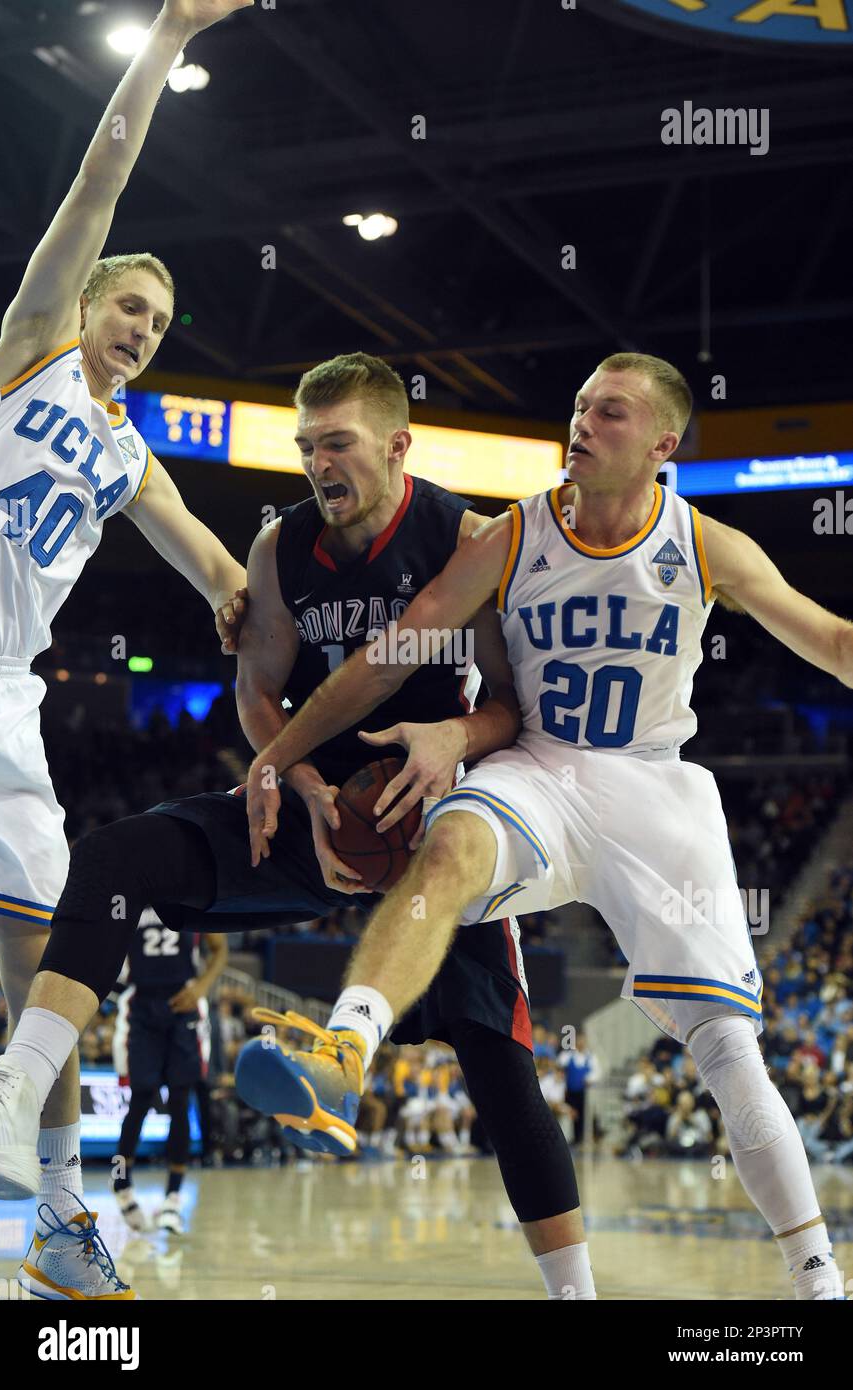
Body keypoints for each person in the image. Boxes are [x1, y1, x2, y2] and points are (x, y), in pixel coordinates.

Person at [229, 349, 850, 1300]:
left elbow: (834, 641)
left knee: (726, 1049)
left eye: (608, 414)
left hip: (653, 789)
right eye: (578, 407)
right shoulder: (513, 535)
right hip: (541, 769)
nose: (581, 425)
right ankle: (341, 1052)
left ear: (662, 443)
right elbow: (390, 659)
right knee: (445, 848)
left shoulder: (705, 544)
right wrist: (276, 756)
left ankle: (816, 1283)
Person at [0, 352, 594, 1300]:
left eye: (336, 444)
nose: (316, 464)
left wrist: (450, 734)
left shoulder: (464, 536)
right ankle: (18, 1091)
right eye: (306, 446)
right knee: (112, 856)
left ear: (397, 444)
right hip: (313, 805)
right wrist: (301, 783)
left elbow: (512, 707)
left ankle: (576, 1294)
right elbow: (255, 693)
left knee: (500, 1062)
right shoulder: (279, 548)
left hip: (431, 816)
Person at [0, 0, 252, 1300]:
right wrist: (170, 34)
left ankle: (56, 1220)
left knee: (56, 967)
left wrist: (286, 604)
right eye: (127, 307)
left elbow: (208, 556)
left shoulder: (130, 450)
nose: (139, 329)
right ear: (82, 304)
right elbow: (101, 170)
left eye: (156, 324)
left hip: (0, 708)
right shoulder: (27, 353)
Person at [111, 913, 227, 1233]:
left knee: (180, 1100)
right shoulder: (129, 896)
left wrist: (202, 987)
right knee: (141, 1098)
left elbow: (220, 948)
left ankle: (173, 1197)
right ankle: (121, 1183)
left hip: (183, 1005)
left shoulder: (190, 898)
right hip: (142, 1006)